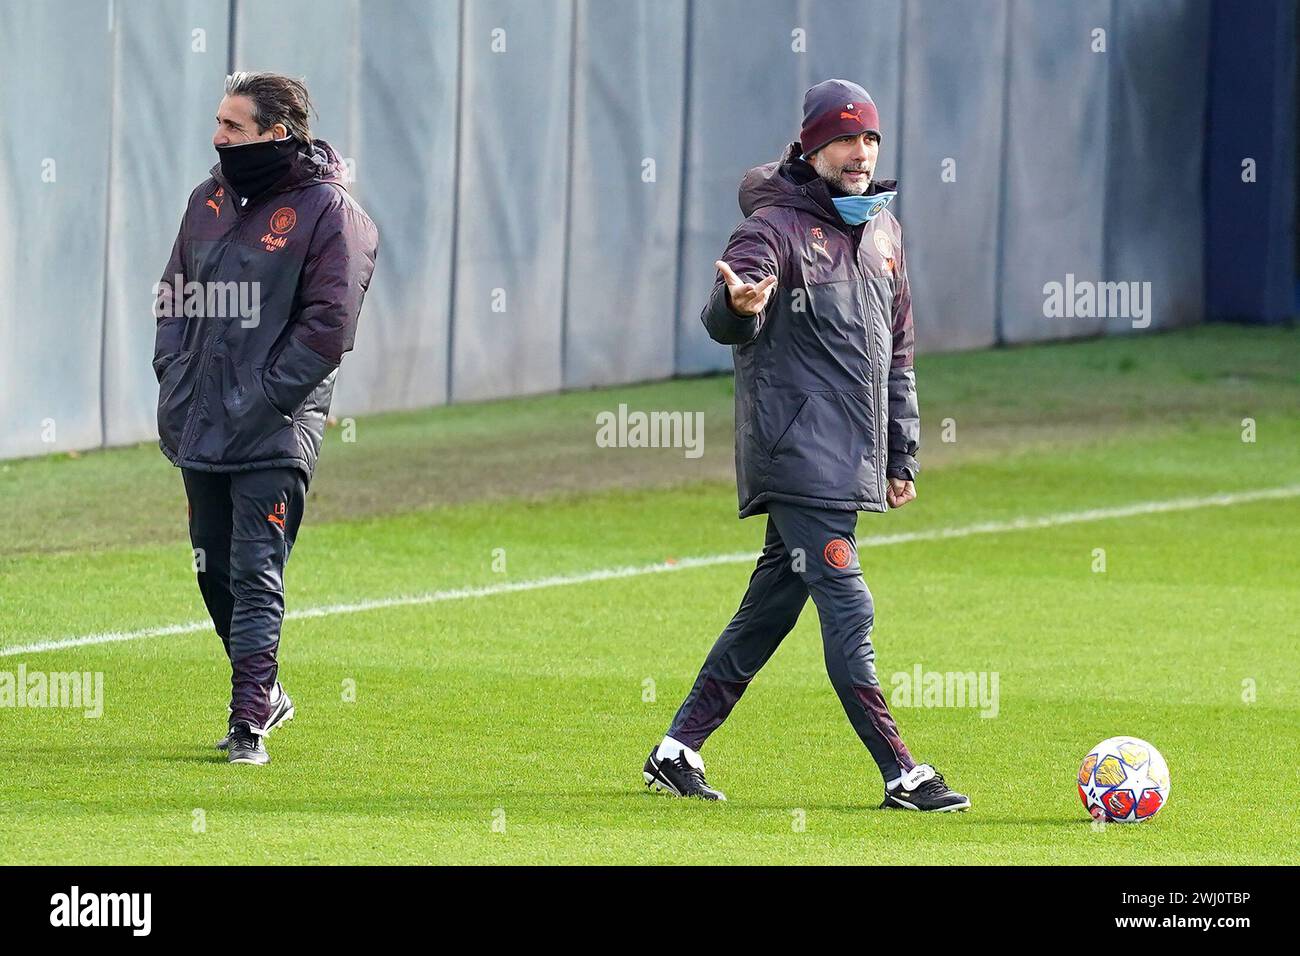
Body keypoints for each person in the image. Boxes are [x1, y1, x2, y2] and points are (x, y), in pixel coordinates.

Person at [643, 79, 968, 811]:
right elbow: (726, 313)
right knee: (849, 608)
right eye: (846, 139)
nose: (862, 152)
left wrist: (902, 452)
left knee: (770, 609)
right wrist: (736, 304)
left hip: (851, 456)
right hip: (797, 456)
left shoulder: (883, 230)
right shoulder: (773, 228)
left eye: (871, 138)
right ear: (813, 147)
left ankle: (676, 750)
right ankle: (901, 773)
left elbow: (901, 350)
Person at [153, 72, 379, 765]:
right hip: (201, 415)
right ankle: (269, 691)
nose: (216, 136)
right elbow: (174, 294)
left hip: (276, 424)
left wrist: (265, 395)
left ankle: (248, 722)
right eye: (218, 122)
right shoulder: (208, 200)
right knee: (210, 568)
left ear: (275, 134)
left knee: (255, 571)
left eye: (232, 126)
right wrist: (174, 369)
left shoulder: (330, 213)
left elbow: (328, 325)